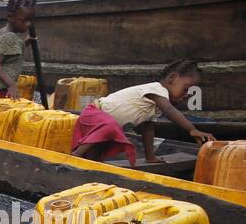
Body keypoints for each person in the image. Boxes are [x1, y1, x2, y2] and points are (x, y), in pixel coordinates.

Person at [72, 59, 216, 166]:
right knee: (110, 126)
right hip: (94, 114)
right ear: (172, 78)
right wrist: (192, 130)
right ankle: (75, 156)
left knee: (96, 157)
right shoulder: (156, 89)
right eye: (186, 89)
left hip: (103, 126)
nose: (186, 95)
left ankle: (87, 167)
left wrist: (150, 156)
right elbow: (170, 110)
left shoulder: (155, 107)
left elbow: (148, 129)